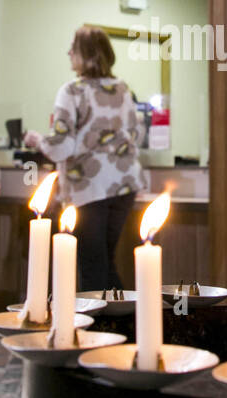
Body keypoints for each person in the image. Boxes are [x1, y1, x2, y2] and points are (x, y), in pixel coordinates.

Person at [25, 26, 147, 291]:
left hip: (89, 186)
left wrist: (36, 140)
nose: (68, 52)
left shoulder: (71, 91)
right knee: (105, 261)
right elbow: (138, 133)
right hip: (124, 185)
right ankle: (124, 325)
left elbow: (61, 147)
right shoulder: (123, 89)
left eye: (73, 47)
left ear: (87, 54)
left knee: (92, 264)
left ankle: (100, 328)